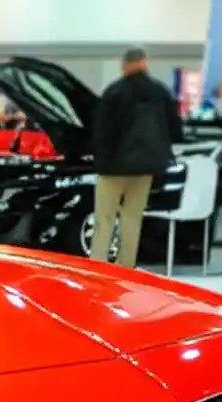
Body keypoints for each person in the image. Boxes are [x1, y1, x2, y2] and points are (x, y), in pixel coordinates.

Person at [89, 47, 183, 268]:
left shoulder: (115, 92)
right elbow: (175, 129)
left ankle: (97, 267)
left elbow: (102, 131)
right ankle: (126, 267)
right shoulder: (161, 92)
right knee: (132, 219)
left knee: (105, 219)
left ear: (126, 64)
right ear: (144, 63)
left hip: (113, 169)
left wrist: (98, 158)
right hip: (146, 168)